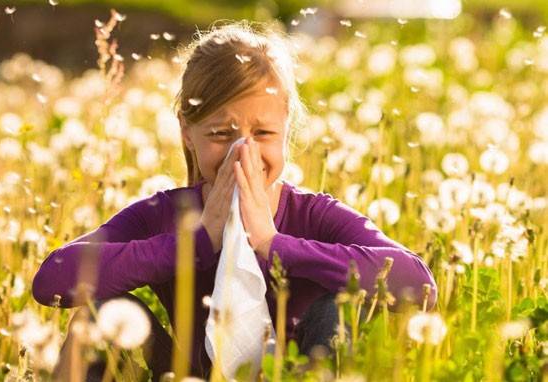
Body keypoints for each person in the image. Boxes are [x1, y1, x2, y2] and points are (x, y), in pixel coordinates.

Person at [32, 20, 438, 380]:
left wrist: (273, 245)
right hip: (186, 375)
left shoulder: (313, 214)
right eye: (221, 135)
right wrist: (194, 242)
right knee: (94, 315)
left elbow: (418, 285)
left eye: (263, 134)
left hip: (300, 373)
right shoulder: (167, 214)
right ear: (187, 133)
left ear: (286, 130)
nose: (243, 153)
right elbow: (53, 279)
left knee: (336, 309)